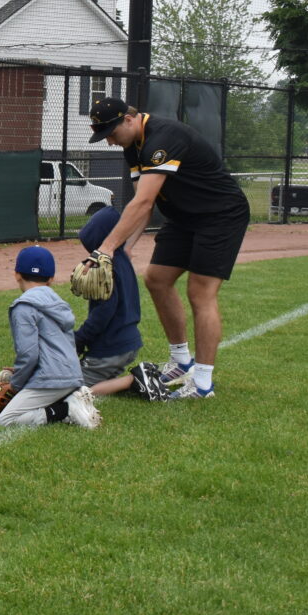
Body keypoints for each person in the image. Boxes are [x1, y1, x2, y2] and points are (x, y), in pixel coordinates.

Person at [87, 97, 252, 399]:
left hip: (220, 215)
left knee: (200, 292)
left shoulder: (163, 137)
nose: (110, 141)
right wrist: (127, 247)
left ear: (128, 120)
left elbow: (144, 201)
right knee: (157, 279)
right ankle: (181, 362)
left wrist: (107, 248)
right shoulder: (132, 146)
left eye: (111, 133)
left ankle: (202, 384)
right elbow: (143, 205)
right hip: (184, 216)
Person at [0, 246, 101, 429]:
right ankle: (69, 398)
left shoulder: (23, 307)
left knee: (6, 419)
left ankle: (66, 410)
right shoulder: (59, 303)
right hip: (73, 374)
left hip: (51, 379)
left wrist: (16, 384)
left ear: (17, 275)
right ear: (51, 279)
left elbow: (28, 353)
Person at [73, 207, 146, 396]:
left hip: (110, 348)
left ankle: (136, 380)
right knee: (98, 381)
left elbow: (103, 312)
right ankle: (121, 383)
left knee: (72, 389)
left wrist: (79, 339)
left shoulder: (105, 268)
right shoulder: (122, 260)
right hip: (127, 343)